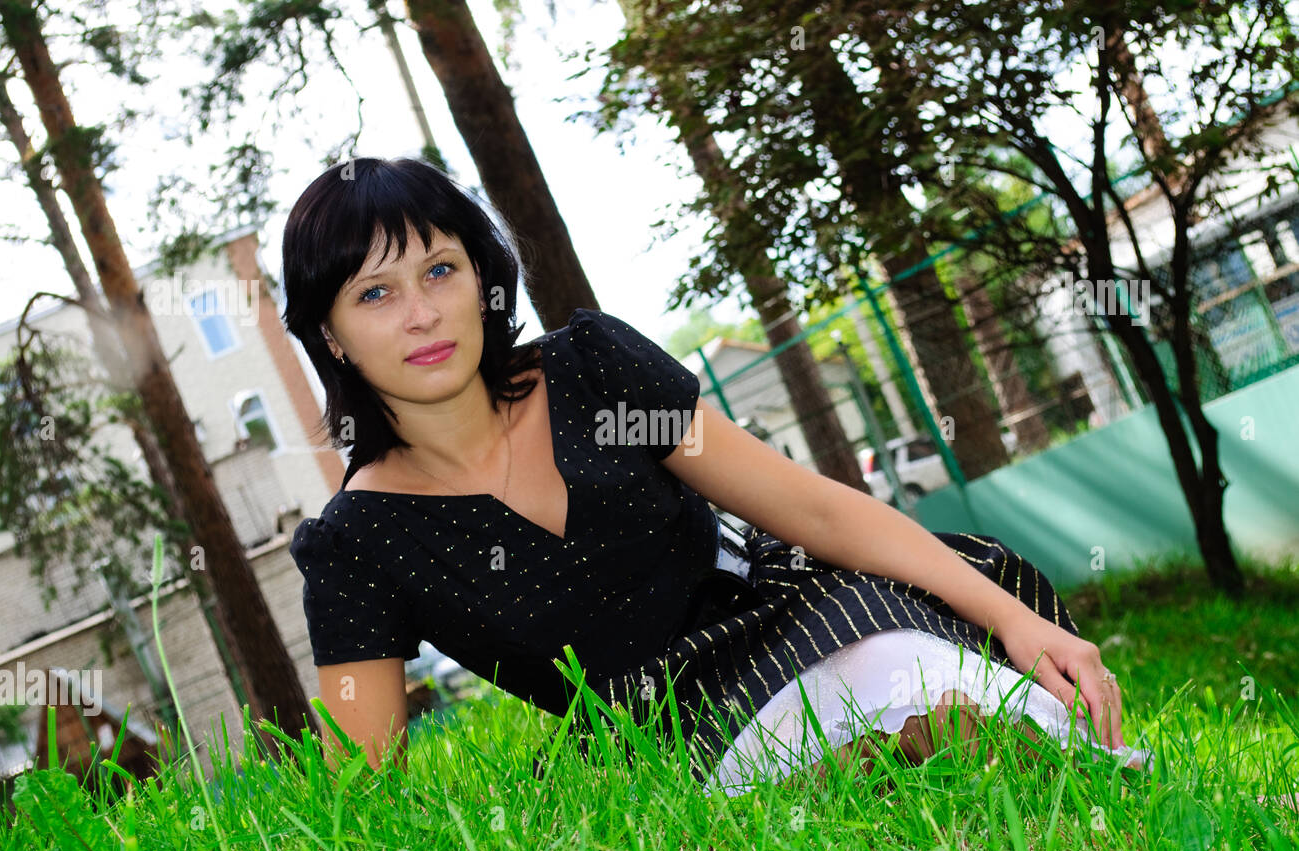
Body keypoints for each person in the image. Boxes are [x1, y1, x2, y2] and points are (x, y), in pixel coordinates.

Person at [282, 156, 1150, 795]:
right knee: (827, 796)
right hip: (661, 740)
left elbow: (815, 509)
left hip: (794, 623)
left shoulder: (592, 368)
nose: (423, 313)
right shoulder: (356, 544)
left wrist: (1015, 619)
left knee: (968, 723)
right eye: (375, 293)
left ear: (482, 279)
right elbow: (366, 785)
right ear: (330, 335)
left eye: (440, 270)